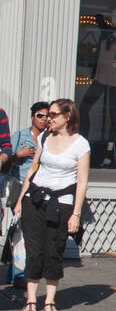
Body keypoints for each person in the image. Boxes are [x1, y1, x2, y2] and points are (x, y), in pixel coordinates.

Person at [14, 99, 90, 311]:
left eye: (54, 114)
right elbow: (33, 170)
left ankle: (49, 301)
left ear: (67, 117)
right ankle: (31, 299)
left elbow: (82, 182)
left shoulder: (80, 144)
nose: (49, 118)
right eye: (47, 115)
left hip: (62, 203)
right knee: (34, 250)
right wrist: (20, 199)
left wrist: (76, 213)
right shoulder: (45, 137)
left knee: (54, 251)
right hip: (35, 199)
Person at [8, 102, 50, 286]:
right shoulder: (20, 136)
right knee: (19, 232)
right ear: (32, 117)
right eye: (40, 115)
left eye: (47, 116)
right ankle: (18, 274)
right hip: (19, 188)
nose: (44, 119)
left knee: (32, 233)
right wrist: (19, 154)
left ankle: (24, 272)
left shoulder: (51, 138)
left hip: (41, 191)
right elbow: (6, 162)